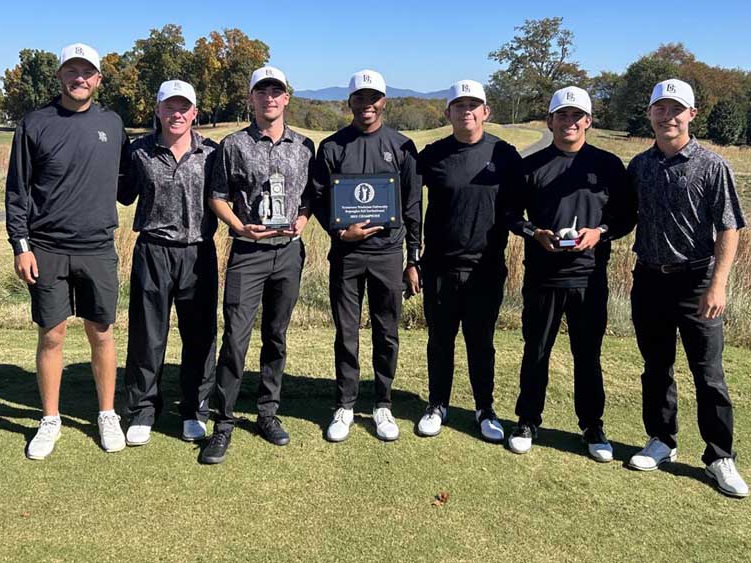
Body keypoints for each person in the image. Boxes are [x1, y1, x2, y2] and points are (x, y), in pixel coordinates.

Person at [624, 79, 750, 498]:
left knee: (708, 373)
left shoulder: (713, 165)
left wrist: (718, 284)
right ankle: (662, 440)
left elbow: (729, 226)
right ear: (651, 114)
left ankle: (719, 456)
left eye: (677, 109)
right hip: (648, 279)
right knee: (656, 367)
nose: (668, 116)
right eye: (660, 108)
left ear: (691, 115)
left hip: (697, 281)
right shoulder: (639, 165)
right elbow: (623, 217)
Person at [5, 42, 129, 460]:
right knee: (52, 333)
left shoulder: (113, 123)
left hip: (97, 246)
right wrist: (21, 246)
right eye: (71, 71)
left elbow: (128, 183)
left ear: (98, 79)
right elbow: (17, 191)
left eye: (87, 72)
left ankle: (107, 414)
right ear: (60, 76)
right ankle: (50, 419)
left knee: (102, 332)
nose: (79, 78)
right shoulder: (35, 123)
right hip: (47, 248)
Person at [503, 86, 633, 461]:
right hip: (543, 275)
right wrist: (534, 232)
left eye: (577, 116)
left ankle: (592, 426)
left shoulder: (608, 165)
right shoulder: (531, 165)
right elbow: (511, 214)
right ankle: (528, 420)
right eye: (562, 115)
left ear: (588, 122)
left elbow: (625, 217)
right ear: (550, 121)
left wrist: (600, 233)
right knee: (536, 350)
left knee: (588, 354)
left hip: (589, 277)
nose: (569, 122)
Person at [199, 66, 315, 465]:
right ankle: (224, 422)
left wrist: (302, 220)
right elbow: (217, 196)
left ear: (286, 98)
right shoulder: (232, 146)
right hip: (247, 253)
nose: (269, 97)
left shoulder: (304, 146)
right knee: (235, 337)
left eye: (276, 91)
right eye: (261, 91)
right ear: (251, 99)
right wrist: (240, 228)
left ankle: (267, 412)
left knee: (276, 336)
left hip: (287, 253)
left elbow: (308, 200)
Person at [308, 69, 422, 443]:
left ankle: (383, 403)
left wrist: (413, 258)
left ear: (383, 102)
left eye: (373, 98)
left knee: (387, 332)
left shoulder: (402, 146)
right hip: (346, 254)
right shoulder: (332, 147)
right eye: (360, 98)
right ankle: (345, 404)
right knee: (346, 332)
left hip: (388, 254)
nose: (367, 104)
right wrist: (339, 231)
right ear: (350, 102)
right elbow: (321, 200)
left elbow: (412, 206)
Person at [414, 80, 520, 442]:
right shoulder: (432, 155)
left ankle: (484, 408)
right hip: (440, 266)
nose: (467, 111)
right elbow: (405, 199)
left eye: (474, 105)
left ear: (486, 112)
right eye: (459, 106)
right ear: (448, 113)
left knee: (481, 342)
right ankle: (437, 404)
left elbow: (520, 207)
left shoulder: (505, 155)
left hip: (485, 269)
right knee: (439, 340)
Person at [117, 80, 219, 447]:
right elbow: (122, 194)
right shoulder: (139, 151)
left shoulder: (212, 152)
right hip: (153, 250)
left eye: (184, 108)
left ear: (194, 113)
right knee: (147, 335)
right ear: (157, 110)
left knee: (200, 336)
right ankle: (143, 410)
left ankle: (195, 409)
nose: (177, 114)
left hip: (198, 252)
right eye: (169, 107)